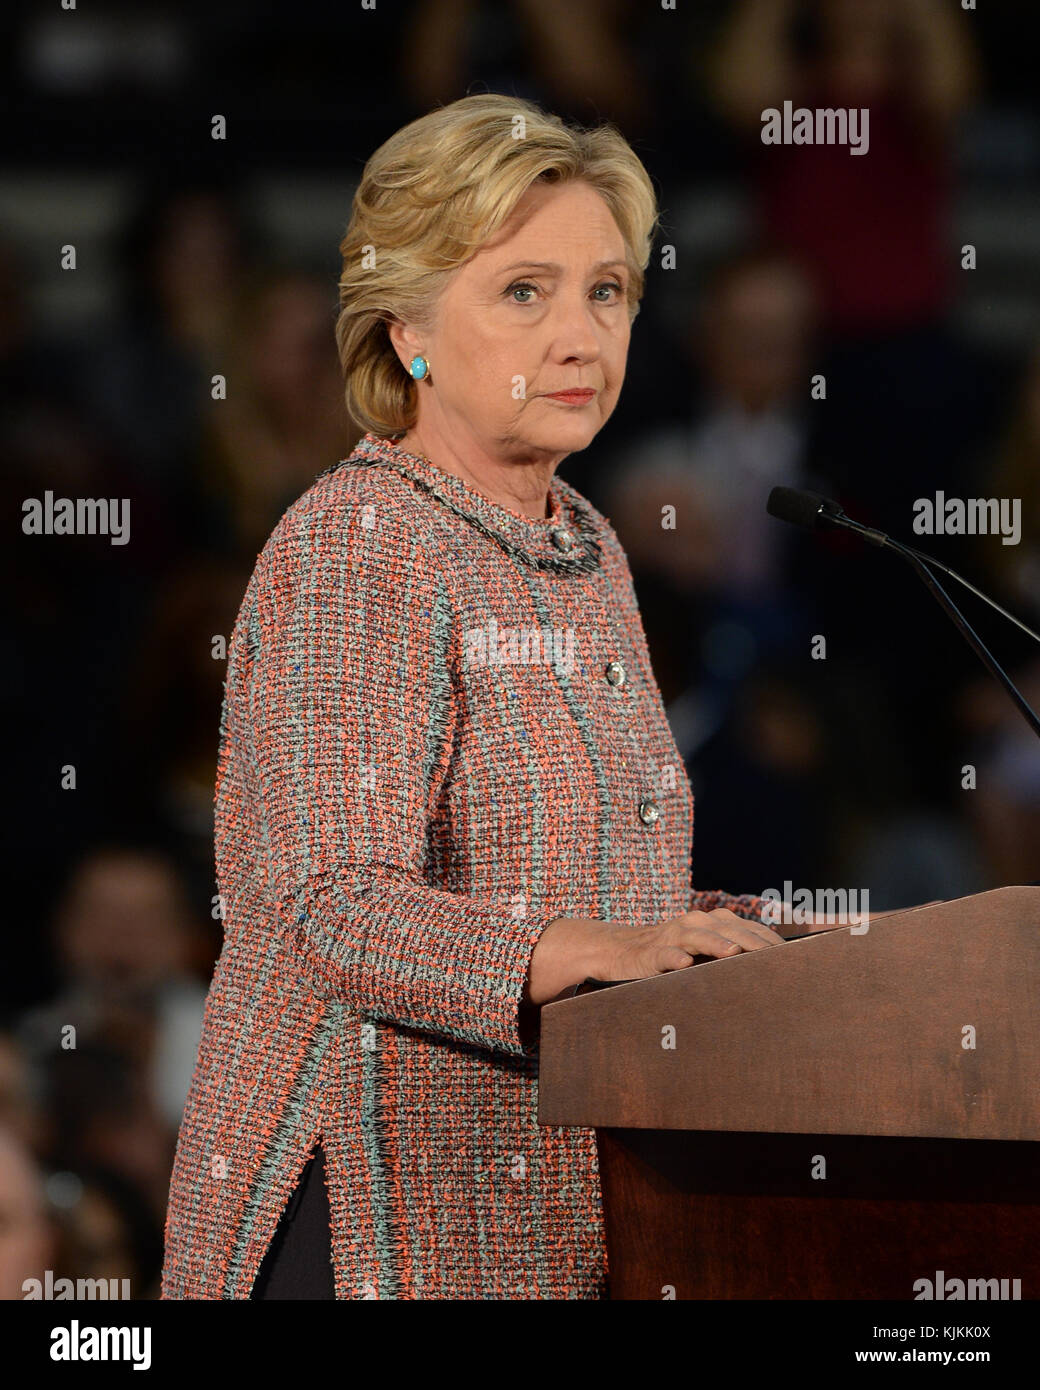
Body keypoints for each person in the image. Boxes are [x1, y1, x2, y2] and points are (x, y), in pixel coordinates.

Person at [160, 92, 791, 1303]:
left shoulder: (588, 546)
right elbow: (324, 902)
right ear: (407, 333)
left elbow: (609, 894)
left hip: (553, 1204)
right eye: (523, 291)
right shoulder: (358, 541)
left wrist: (774, 941)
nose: (580, 334)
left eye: (605, 291)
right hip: (365, 1207)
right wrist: (593, 946)